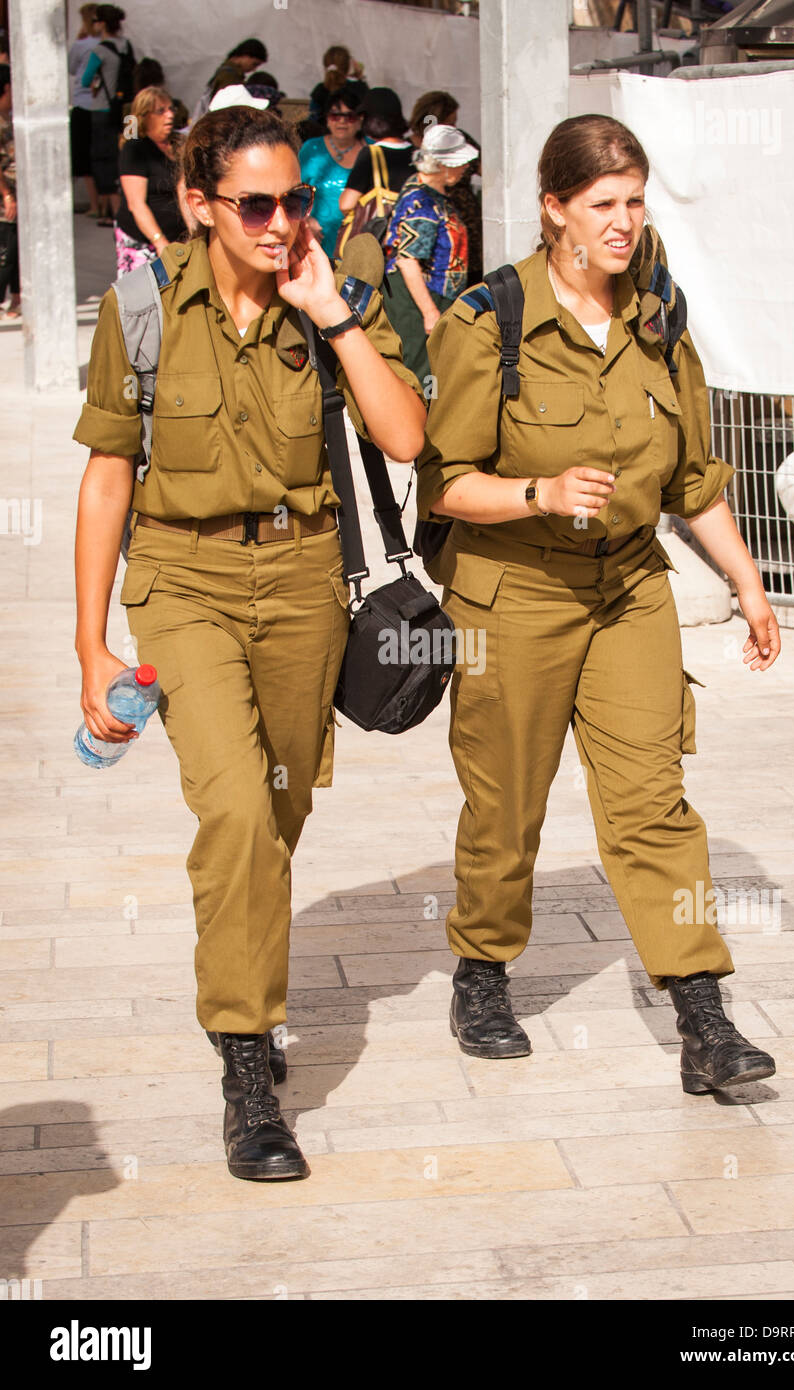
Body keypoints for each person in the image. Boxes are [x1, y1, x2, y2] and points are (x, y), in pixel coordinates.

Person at [72, 106, 426, 1181]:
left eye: (297, 201)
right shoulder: (138, 309)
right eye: (258, 205)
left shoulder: (329, 294)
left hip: (308, 581)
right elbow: (106, 474)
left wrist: (335, 317)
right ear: (200, 204)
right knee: (232, 808)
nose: (283, 224)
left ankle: (243, 988)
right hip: (182, 581)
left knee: (278, 810)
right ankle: (245, 1063)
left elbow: (406, 436)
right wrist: (90, 643)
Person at [416, 115, 781, 1095]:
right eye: (602, 205)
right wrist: (535, 492)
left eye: (634, 203)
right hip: (511, 592)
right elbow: (445, 481)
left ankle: (703, 1015)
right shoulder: (487, 321)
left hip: (627, 588)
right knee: (506, 803)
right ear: (554, 210)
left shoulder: (657, 318)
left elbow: (694, 475)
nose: (623, 223)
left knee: (653, 803)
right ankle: (482, 971)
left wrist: (746, 584)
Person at [381, 122, 475, 384]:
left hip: (430, 296)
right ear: (441, 164)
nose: (465, 166)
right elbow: (408, 260)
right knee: (422, 373)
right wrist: (430, 312)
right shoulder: (422, 201)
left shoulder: (425, 191)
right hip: (420, 300)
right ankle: (420, 424)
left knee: (431, 371)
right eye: (460, 161)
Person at [408, 90, 482, 286]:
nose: (454, 128)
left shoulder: (460, 140)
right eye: (450, 122)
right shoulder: (414, 154)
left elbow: (486, 168)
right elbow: (408, 259)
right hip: (437, 238)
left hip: (466, 228)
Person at [115, 86, 188, 277]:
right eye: (161, 111)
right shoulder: (135, 148)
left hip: (178, 239)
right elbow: (136, 204)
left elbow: (184, 190)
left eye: (172, 108)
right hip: (144, 239)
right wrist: (159, 241)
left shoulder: (179, 144)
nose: (170, 115)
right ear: (145, 116)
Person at [80, 4, 134, 225]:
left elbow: (85, 80)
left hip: (104, 111)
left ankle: (111, 211)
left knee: (103, 159)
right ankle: (127, 206)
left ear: (101, 23)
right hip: (128, 112)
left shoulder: (99, 51)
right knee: (129, 151)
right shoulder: (127, 46)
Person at [299, 86, 366, 259]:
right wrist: (304, 220)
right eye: (335, 115)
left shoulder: (371, 152)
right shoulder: (311, 149)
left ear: (360, 120)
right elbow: (292, 190)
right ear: (327, 119)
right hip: (315, 244)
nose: (341, 122)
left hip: (357, 247)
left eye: (349, 116)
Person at [339, 86, 413, 223]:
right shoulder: (416, 153)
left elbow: (346, 204)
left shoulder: (371, 155)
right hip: (413, 235)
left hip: (382, 238)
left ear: (371, 120)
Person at [68, 3, 101, 218]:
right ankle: (106, 203)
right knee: (101, 154)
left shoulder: (82, 45)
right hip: (102, 106)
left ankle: (94, 204)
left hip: (82, 103)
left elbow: (71, 69)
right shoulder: (108, 44)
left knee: (83, 156)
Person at [0, 61, 19, 320]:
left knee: (16, 248)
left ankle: (17, 298)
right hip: (6, 197)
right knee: (6, 250)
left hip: (15, 195)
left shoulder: (10, 119)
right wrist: (7, 195)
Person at [308, 45, 367, 125]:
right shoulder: (359, 88)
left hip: (323, 135)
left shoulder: (320, 90)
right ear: (348, 65)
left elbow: (313, 119)